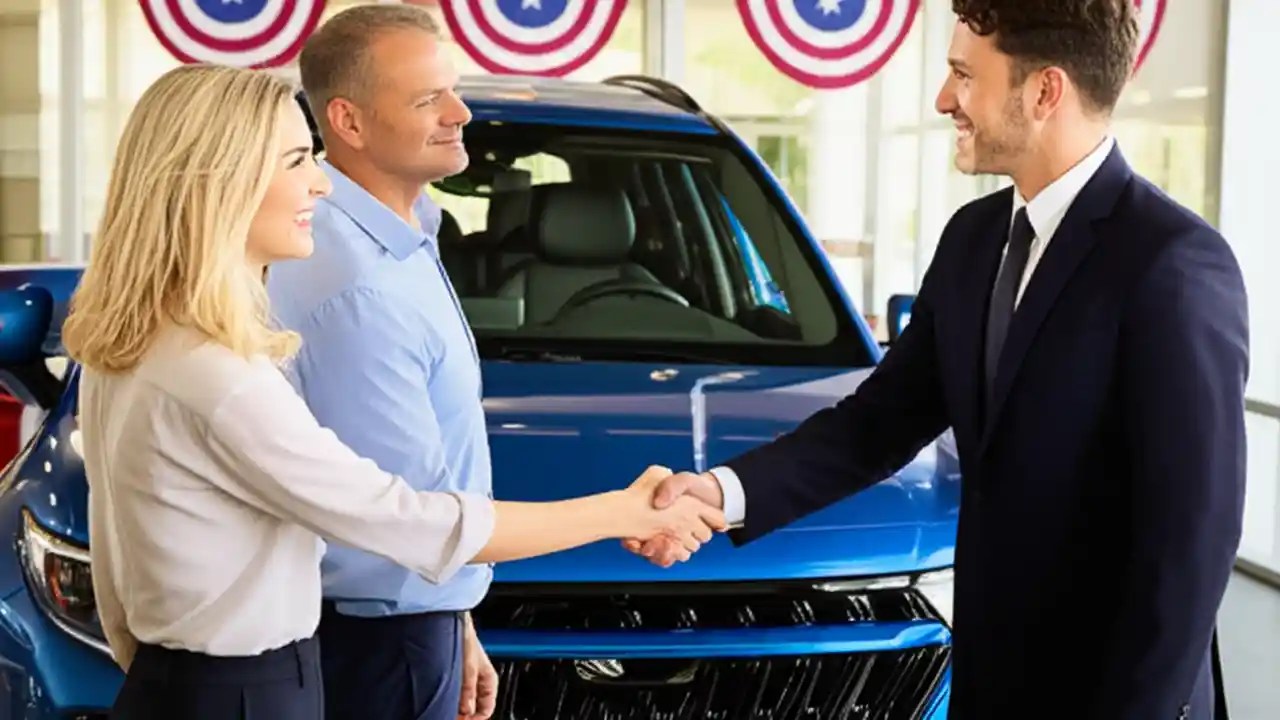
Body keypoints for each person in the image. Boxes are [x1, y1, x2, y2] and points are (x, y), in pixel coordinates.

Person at [628, 1, 1248, 718]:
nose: (944, 99)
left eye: (963, 75)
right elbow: (876, 424)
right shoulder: (973, 240)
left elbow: (1190, 545)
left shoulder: (1172, 264)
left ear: (1045, 91)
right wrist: (723, 494)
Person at [63, 63, 724, 720]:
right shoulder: (219, 376)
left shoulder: (134, 345)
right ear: (219, 184)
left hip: (185, 684)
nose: (321, 183)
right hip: (243, 691)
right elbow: (407, 521)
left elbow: (117, 581)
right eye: (296, 161)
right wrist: (623, 512)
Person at [264, 6, 563, 720]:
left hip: (408, 619)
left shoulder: (401, 234)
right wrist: (623, 512)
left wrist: (453, 619)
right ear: (349, 121)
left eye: (452, 90)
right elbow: (407, 522)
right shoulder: (353, 282)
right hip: (374, 642)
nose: (460, 112)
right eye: (429, 99)